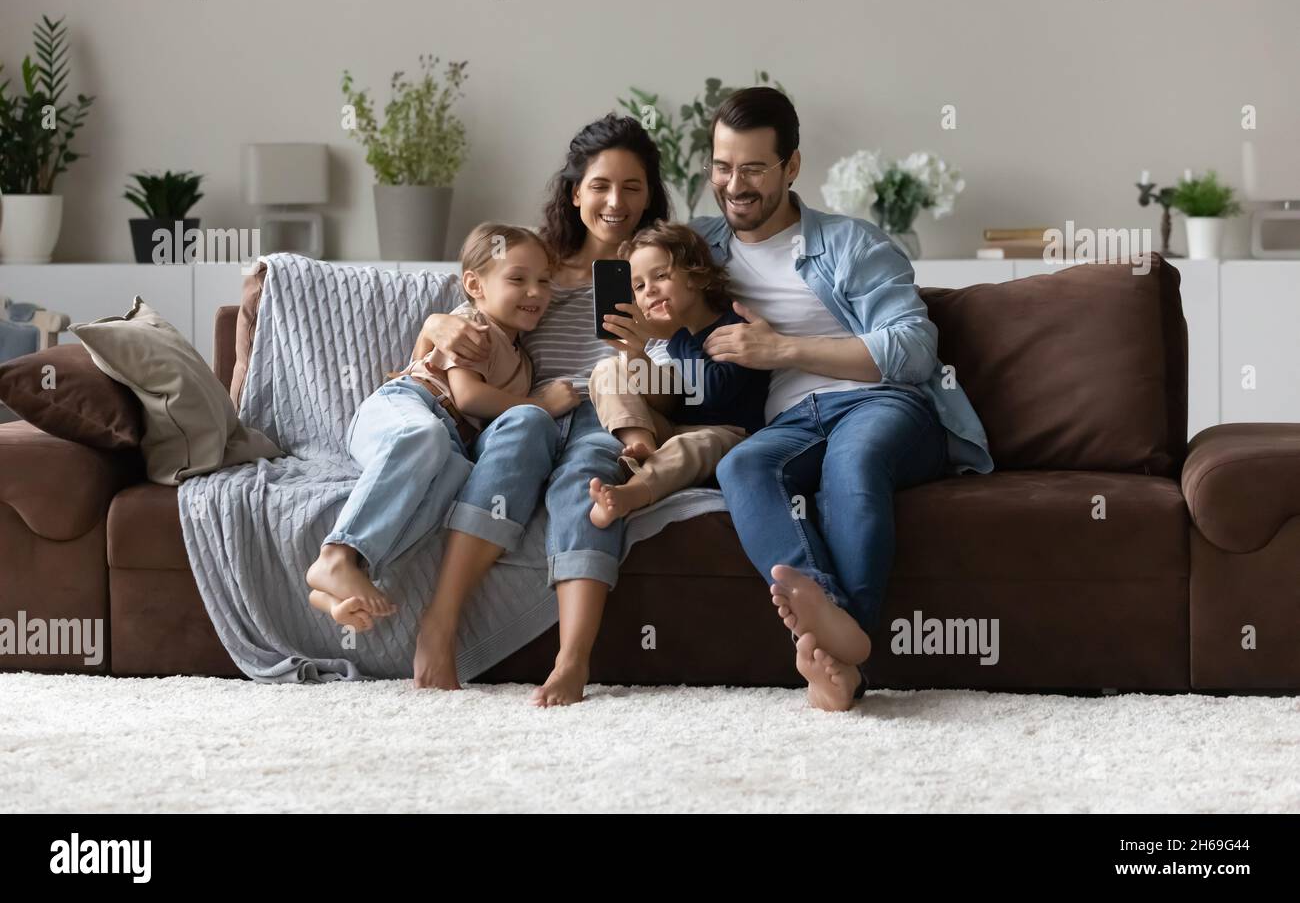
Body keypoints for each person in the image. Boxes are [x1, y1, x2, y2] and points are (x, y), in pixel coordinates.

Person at [693, 87, 994, 712]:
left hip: (882, 404)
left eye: (753, 168)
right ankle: (842, 654)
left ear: (792, 166)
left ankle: (844, 651)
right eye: (722, 167)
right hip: (791, 422)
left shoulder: (851, 243)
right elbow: (621, 255)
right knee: (741, 466)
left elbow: (912, 348)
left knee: (852, 463)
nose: (734, 185)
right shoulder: (699, 252)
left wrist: (782, 350)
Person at [409, 113, 672, 705]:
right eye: (600, 185)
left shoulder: (655, 272)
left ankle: (571, 661)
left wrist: (637, 355)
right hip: (528, 407)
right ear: (575, 192)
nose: (615, 202)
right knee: (523, 426)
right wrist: (435, 324)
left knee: (588, 478)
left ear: (649, 196)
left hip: (605, 412)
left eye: (632, 187)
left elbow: (668, 396)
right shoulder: (534, 264)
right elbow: (466, 321)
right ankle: (440, 625)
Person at [305, 223, 566, 632]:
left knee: (452, 478)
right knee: (424, 436)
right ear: (475, 285)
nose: (535, 292)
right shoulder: (470, 325)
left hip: (449, 440)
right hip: (405, 405)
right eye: (518, 279)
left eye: (544, 281)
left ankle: (338, 584)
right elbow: (468, 396)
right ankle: (335, 554)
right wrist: (542, 405)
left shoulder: (523, 361)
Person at [586, 219, 769, 526]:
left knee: (697, 443)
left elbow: (712, 392)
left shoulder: (733, 327)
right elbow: (670, 404)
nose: (649, 290)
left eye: (660, 276)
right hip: (673, 430)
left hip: (727, 435)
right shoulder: (669, 340)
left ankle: (630, 494)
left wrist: (676, 336)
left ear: (697, 276)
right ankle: (642, 445)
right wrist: (635, 353)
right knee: (609, 367)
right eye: (639, 286)